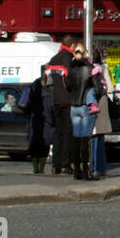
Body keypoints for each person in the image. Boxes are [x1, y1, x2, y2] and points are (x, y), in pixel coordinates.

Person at [45, 35, 78, 174]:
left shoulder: (54, 58)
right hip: (67, 98)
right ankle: (66, 163)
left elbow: (47, 79)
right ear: (71, 45)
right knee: (67, 132)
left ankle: (56, 164)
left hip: (56, 99)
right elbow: (69, 78)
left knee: (58, 132)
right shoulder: (67, 58)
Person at [68, 43, 95, 180]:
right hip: (85, 105)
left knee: (76, 139)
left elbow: (67, 86)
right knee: (86, 140)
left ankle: (76, 171)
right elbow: (98, 88)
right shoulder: (89, 68)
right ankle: (86, 170)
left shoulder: (71, 69)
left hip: (74, 106)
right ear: (85, 54)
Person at [18, 71, 50, 174]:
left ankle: (35, 168)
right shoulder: (49, 92)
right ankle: (41, 169)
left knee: (34, 146)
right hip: (47, 121)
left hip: (34, 120)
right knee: (44, 147)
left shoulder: (32, 89)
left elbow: (25, 107)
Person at [90, 53, 112, 178]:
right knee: (99, 138)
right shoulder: (103, 68)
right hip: (101, 103)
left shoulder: (88, 68)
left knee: (93, 138)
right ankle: (100, 168)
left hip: (91, 103)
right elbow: (110, 89)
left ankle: (94, 167)